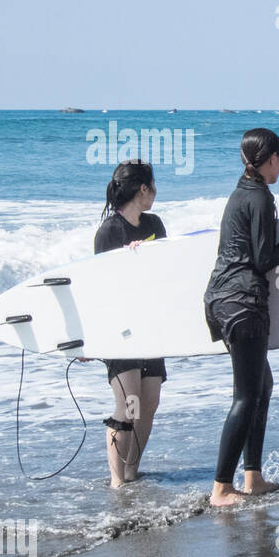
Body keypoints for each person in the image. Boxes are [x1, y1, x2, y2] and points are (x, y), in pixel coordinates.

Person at [203, 128, 279, 507]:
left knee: (261, 386)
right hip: (243, 304)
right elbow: (263, 260)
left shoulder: (241, 192)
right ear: (271, 159)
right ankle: (222, 488)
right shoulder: (259, 198)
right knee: (246, 396)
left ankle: (252, 475)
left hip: (222, 300)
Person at [94, 159, 167, 487]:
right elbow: (100, 286)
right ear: (143, 189)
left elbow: (168, 271)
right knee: (128, 405)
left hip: (150, 326)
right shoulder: (110, 231)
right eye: (153, 185)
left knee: (149, 403)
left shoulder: (155, 223)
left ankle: (132, 471)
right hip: (120, 330)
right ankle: (116, 480)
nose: (156, 191)